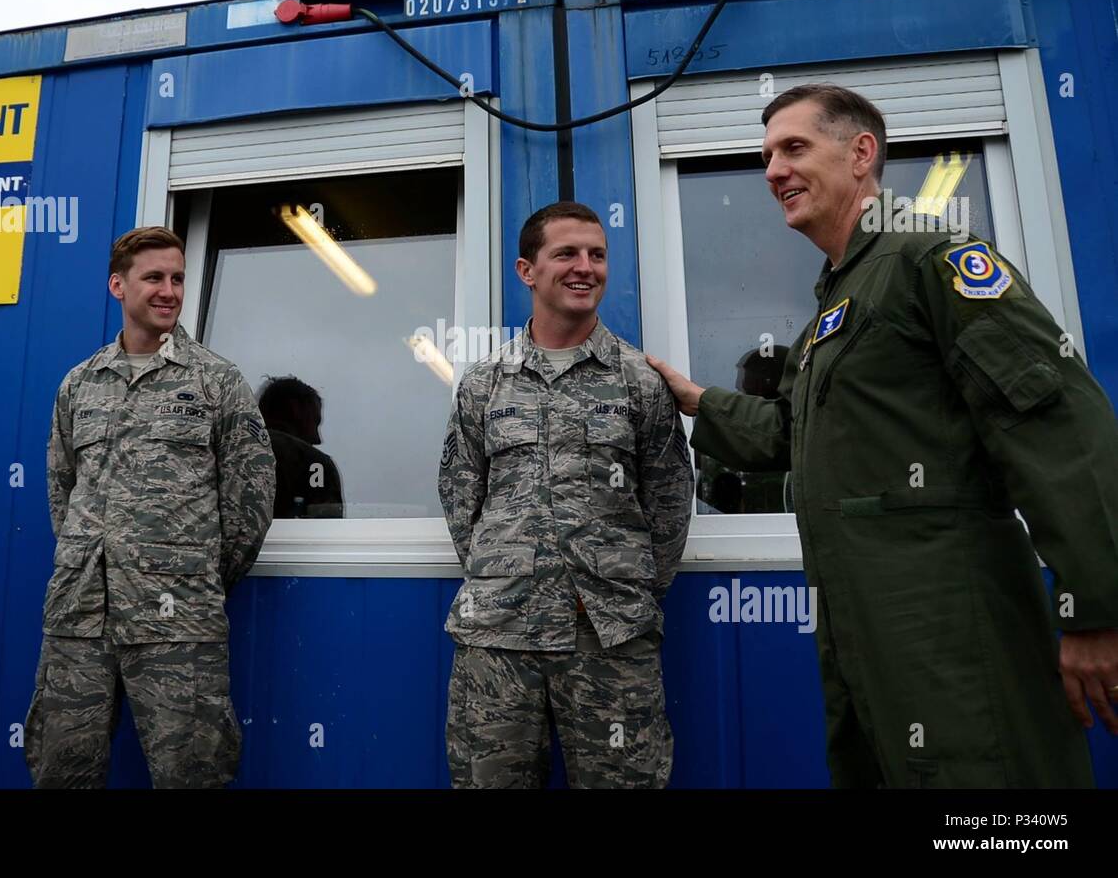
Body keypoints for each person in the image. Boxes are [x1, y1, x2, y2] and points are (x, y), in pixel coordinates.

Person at [648, 84, 1118, 787]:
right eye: (767, 154)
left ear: (861, 153)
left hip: (948, 627)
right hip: (861, 636)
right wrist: (696, 400)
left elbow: (1053, 420)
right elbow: (789, 431)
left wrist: (1095, 605)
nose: (772, 169)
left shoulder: (929, 257)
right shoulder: (840, 296)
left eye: (794, 147)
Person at [438, 201, 693, 788]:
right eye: (567, 254)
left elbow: (670, 500)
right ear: (527, 271)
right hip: (498, 640)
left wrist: (625, 591)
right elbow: (461, 498)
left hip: (611, 640)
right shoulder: (484, 384)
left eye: (597, 254)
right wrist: (507, 575)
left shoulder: (640, 381)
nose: (586, 267)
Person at [24, 226, 276, 788]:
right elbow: (62, 489)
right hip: (80, 616)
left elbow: (250, 498)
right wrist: (90, 561)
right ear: (118, 285)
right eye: (154, 278)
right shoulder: (79, 384)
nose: (169, 290)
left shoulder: (215, 381)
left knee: (192, 774)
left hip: (177, 618)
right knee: (61, 771)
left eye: (178, 278)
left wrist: (191, 575)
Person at [257, 375, 344, 518]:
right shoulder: (316, 465)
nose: (318, 439)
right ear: (296, 412)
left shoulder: (225, 454)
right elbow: (327, 531)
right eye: (315, 422)